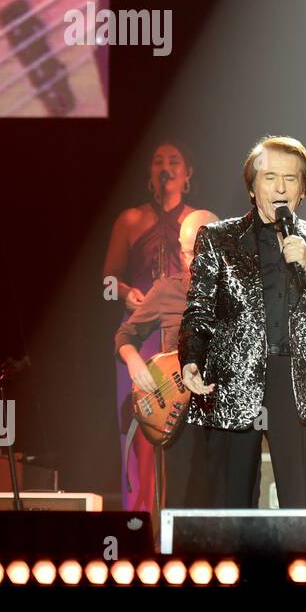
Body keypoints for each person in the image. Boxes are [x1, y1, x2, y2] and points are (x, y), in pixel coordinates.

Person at [179, 136, 306, 508]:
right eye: (270, 176)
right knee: (228, 503)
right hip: (232, 380)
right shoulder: (218, 238)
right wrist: (191, 357)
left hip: (297, 383)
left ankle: (301, 564)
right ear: (252, 185)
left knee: (304, 502)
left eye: (291, 179)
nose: (280, 187)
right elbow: (199, 308)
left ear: (303, 189)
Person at [102, 140, 199, 511]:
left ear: (187, 173)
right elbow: (106, 282)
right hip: (141, 332)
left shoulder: (199, 222)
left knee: (182, 425)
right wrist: (126, 293)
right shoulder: (130, 219)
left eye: (174, 160)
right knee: (143, 426)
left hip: (184, 331)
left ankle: (180, 515)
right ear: (150, 173)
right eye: (159, 160)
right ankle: (141, 516)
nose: (167, 166)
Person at [114, 209, 218, 509]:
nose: (191, 260)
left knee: (225, 499)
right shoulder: (167, 290)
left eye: (199, 251)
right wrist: (133, 360)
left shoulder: (239, 291)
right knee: (184, 501)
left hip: (224, 412)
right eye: (186, 252)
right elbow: (125, 335)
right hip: (181, 416)